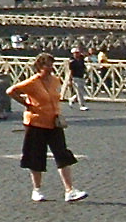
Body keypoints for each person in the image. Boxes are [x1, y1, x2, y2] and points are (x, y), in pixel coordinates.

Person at [6, 53, 87, 202]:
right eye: (47, 65)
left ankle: (69, 190)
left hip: (54, 123)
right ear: (39, 66)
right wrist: (27, 104)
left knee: (62, 154)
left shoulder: (55, 80)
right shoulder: (32, 82)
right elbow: (11, 91)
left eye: (51, 64)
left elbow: (56, 97)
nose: (50, 68)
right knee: (36, 155)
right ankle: (36, 189)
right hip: (36, 123)